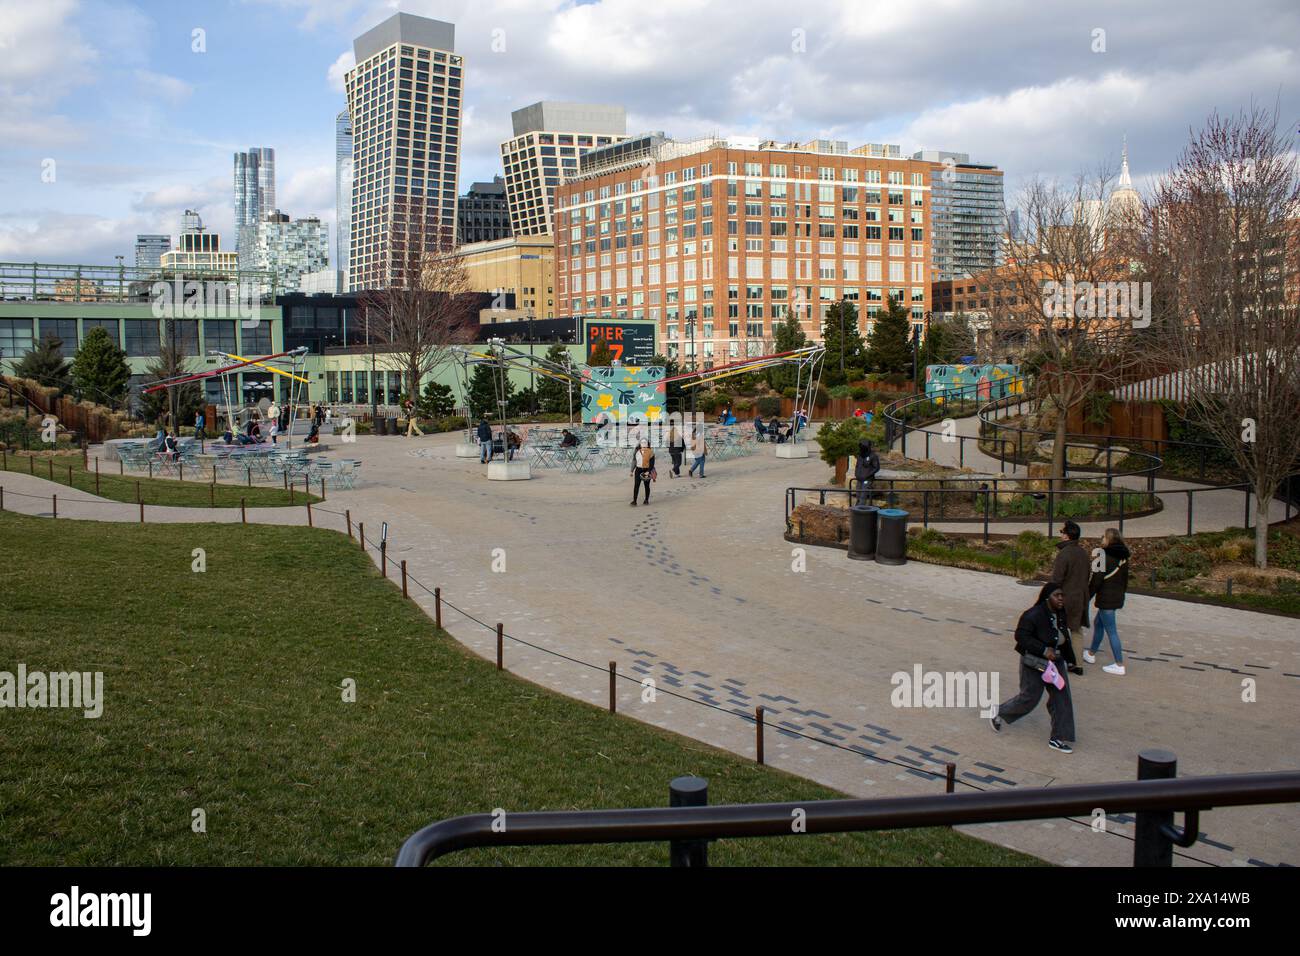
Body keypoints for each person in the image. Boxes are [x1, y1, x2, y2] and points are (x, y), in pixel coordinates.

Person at [989, 582, 1078, 753]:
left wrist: (1071, 660)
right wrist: (1044, 650)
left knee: (1062, 698)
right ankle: (998, 711)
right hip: (1035, 663)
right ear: (1047, 597)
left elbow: (1063, 636)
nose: (1061, 599)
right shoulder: (1033, 615)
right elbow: (1021, 636)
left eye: (1062, 595)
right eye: (1056, 595)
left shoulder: (1060, 613)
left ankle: (1058, 737)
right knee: (1030, 698)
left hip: (1056, 663)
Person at [1085, 528, 1130, 675]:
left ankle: (1119, 664)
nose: (1101, 538)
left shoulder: (1101, 555)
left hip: (1106, 599)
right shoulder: (1123, 556)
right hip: (1117, 597)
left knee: (1112, 631)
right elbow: (1125, 580)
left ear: (1108, 539)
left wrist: (1087, 597)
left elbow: (1095, 581)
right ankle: (1091, 653)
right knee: (1098, 624)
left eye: (1103, 536)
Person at [1050, 520, 1090, 675]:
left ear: (1067, 536)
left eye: (1062, 532)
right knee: (1076, 631)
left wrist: (1050, 596)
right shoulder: (1083, 553)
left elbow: (1057, 579)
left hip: (1064, 598)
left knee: (1056, 629)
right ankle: (1078, 664)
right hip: (1080, 597)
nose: (1060, 534)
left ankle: (1055, 660)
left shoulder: (1064, 554)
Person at [630, 439, 656, 506]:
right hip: (638, 470)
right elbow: (634, 461)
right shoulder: (637, 451)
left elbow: (652, 463)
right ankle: (634, 501)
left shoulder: (651, 452)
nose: (644, 446)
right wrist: (631, 471)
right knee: (636, 485)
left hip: (647, 470)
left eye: (645, 444)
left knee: (646, 486)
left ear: (647, 444)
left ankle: (646, 500)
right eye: (642, 444)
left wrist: (648, 471)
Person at [854, 440, 880, 506]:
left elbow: (876, 467)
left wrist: (867, 475)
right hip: (859, 478)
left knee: (863, 495)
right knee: (858, 494)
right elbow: (857, 465)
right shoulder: (860, 455)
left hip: (867, 479)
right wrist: (856, 473)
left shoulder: (873, 456)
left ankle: (860, 510)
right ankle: (857, 509)